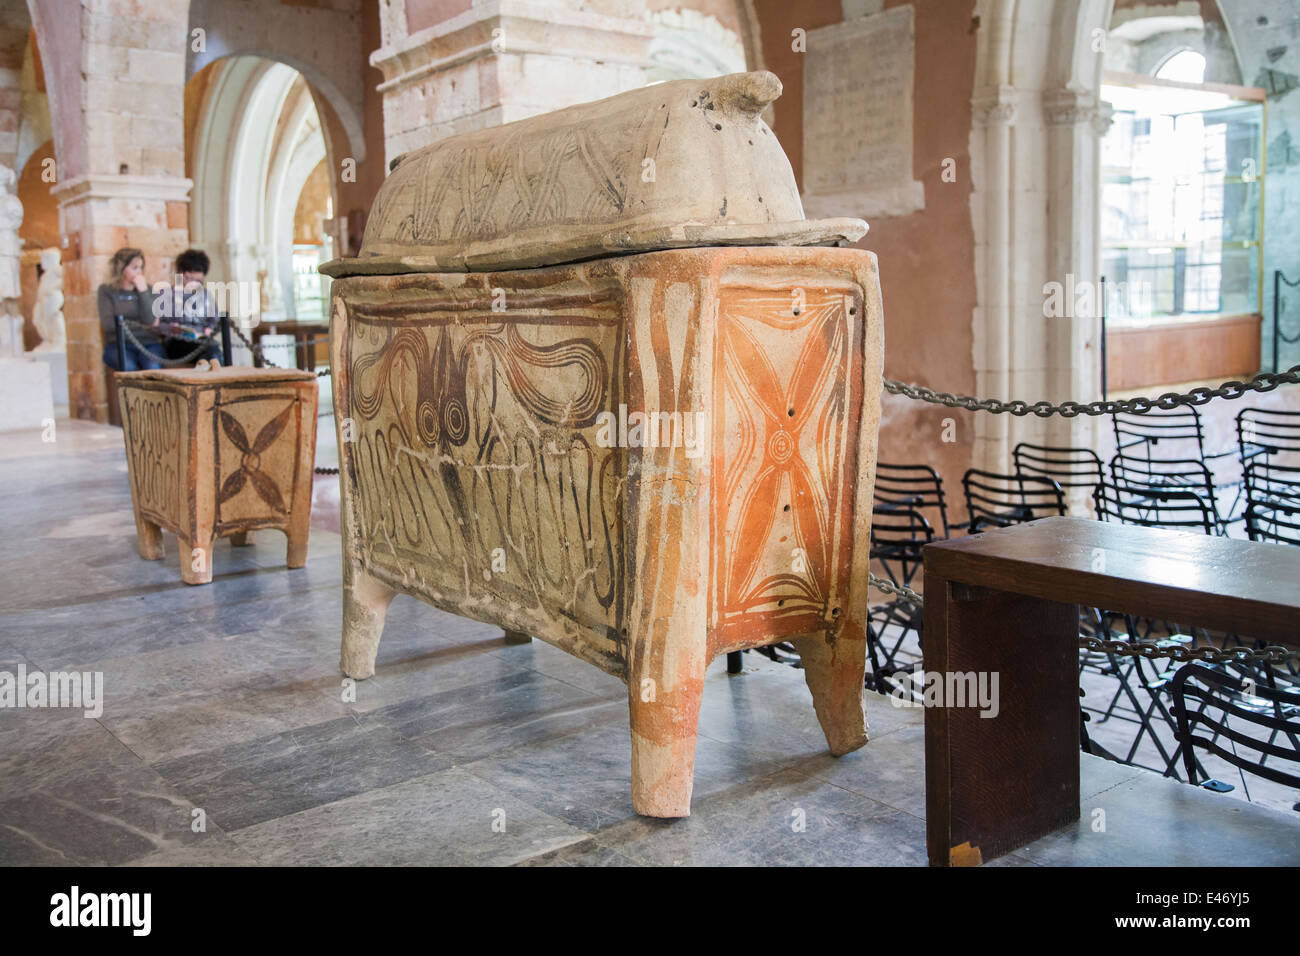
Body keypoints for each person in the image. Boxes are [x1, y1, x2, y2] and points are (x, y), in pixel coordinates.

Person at [100, 248, 165, 371]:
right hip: (119, 345)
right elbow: (109, 325)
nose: (139, 272)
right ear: (122, 269)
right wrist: (144, 326)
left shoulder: (148, 290)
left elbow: (149, 320)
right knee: (128, 367)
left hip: (148, 344)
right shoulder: (106, 291)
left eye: (141, 268)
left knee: (153, 367)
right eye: (135, 268)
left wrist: (142, 291)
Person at [162, 248, 222, 365]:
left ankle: (207, 367)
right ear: (180, 273)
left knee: (211, 348)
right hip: (177, 342)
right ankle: (215, 370)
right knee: (212, 351)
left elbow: (215, 321)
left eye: (198, 281)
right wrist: (171, 328)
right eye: (189, 278)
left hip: (202, 340)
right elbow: (157, 324)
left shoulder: (206, 296)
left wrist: (209, 329)